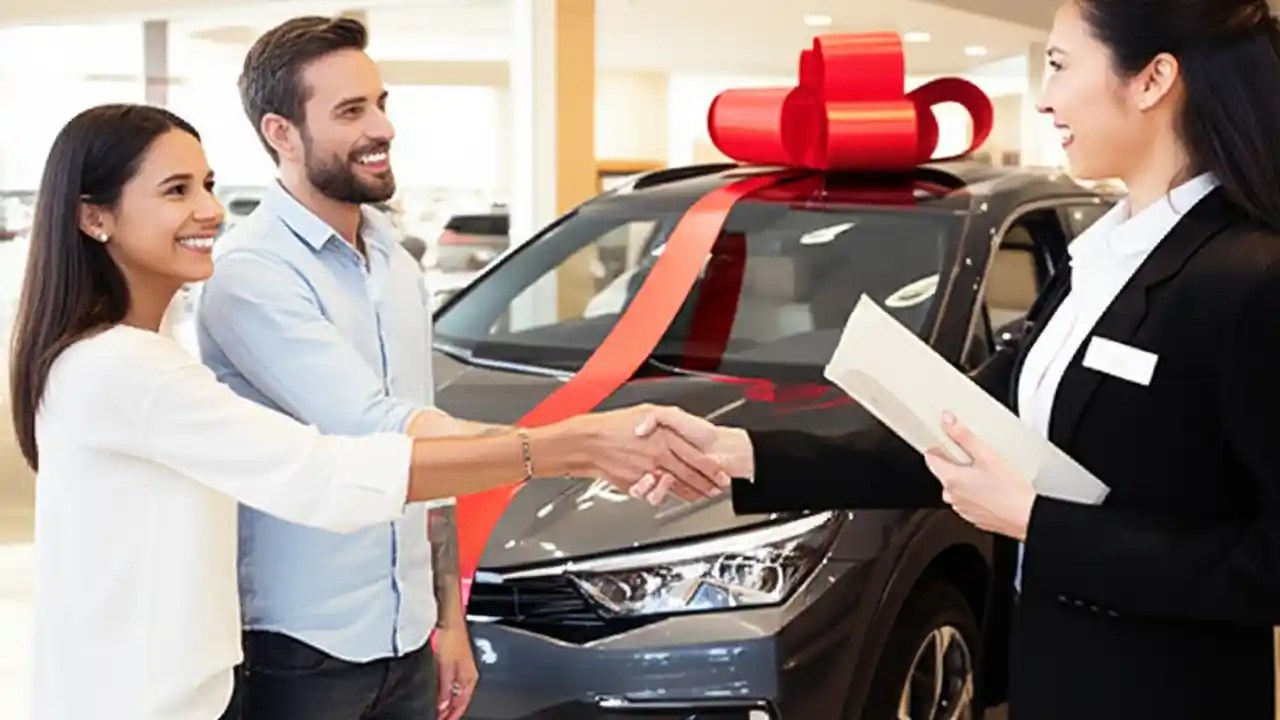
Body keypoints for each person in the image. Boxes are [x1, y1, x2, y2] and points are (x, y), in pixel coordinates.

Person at [637, 0, 1280, 717]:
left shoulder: (1250, 278)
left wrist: (1039, 522)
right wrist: (739, 452)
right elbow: (946, 433)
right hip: (1053, 674)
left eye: (1061, 66)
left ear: (1154, 78)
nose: (1043, 97)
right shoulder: (1102, 259)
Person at [12, 104, 727, 720]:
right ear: (94, 216)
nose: (208, 210)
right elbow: (326, 473)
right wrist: (563, 447)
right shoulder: (130, 366)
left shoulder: (135, 352)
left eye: (205, 183)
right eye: (174, 190)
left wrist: (446, 607)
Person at [194, 16, 524, 720]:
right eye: (351, 111)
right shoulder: (253, 274)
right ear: (281, 133)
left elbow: (425, 467)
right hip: (301, 646)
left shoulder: (395, 263)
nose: (383, 127)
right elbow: (379, 431)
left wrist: (448, 618)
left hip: (404, 636)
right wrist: (562, 450)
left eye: (380, 103)